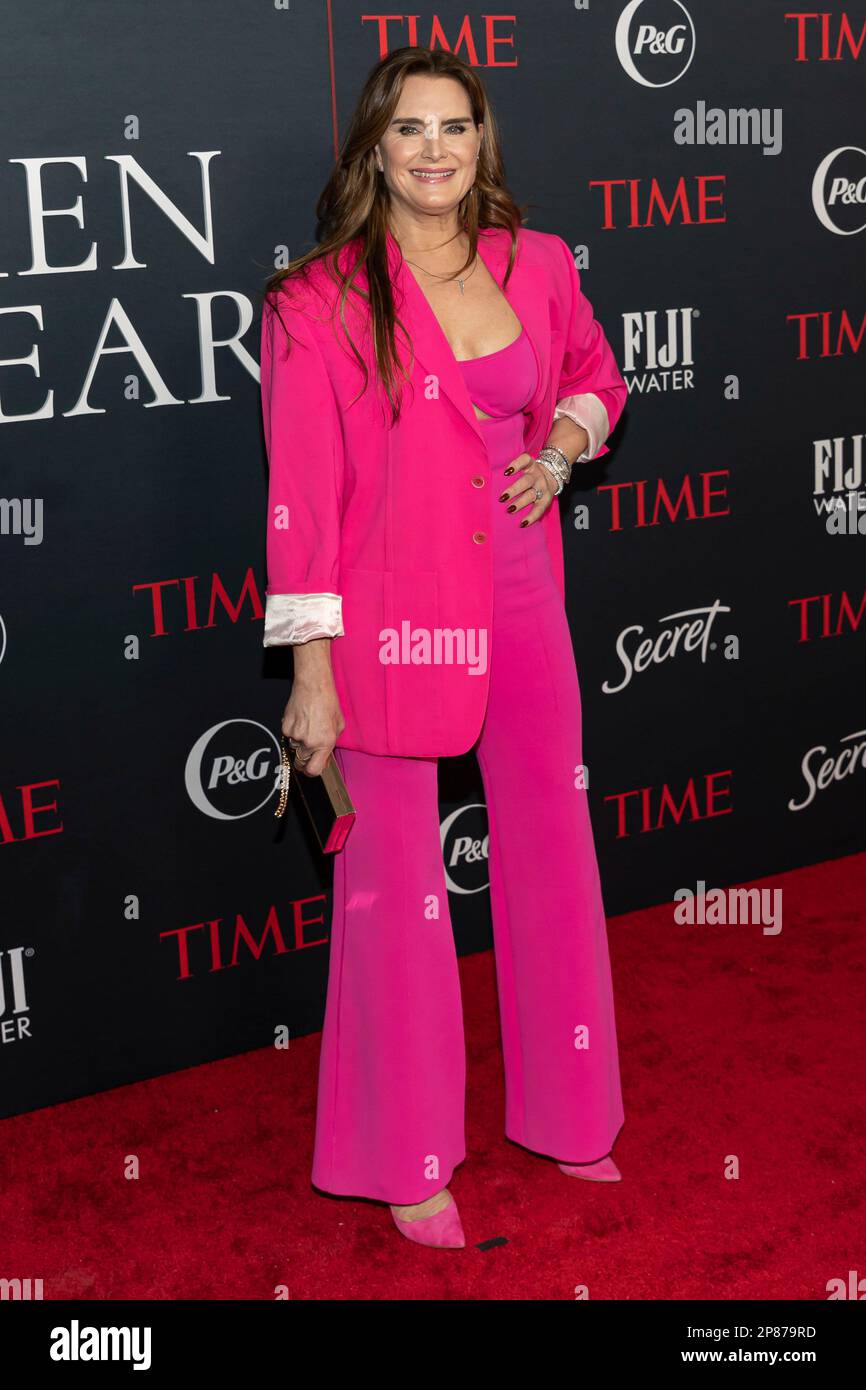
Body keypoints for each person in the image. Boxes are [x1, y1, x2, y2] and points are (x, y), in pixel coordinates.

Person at [260, 46, 627, 1249]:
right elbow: (301, 504)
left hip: (521, 593)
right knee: (396, 886)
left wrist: (562, 447)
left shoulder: (540, 260)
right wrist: (309, 672)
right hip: (385, 619)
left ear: (482, 141)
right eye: (409, 129)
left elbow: (588, 376)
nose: (434, 149)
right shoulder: (317, 301)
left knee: (552, 846)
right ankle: (406, 1156)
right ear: (374, 148)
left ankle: (572, 1113)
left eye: (454, 127)